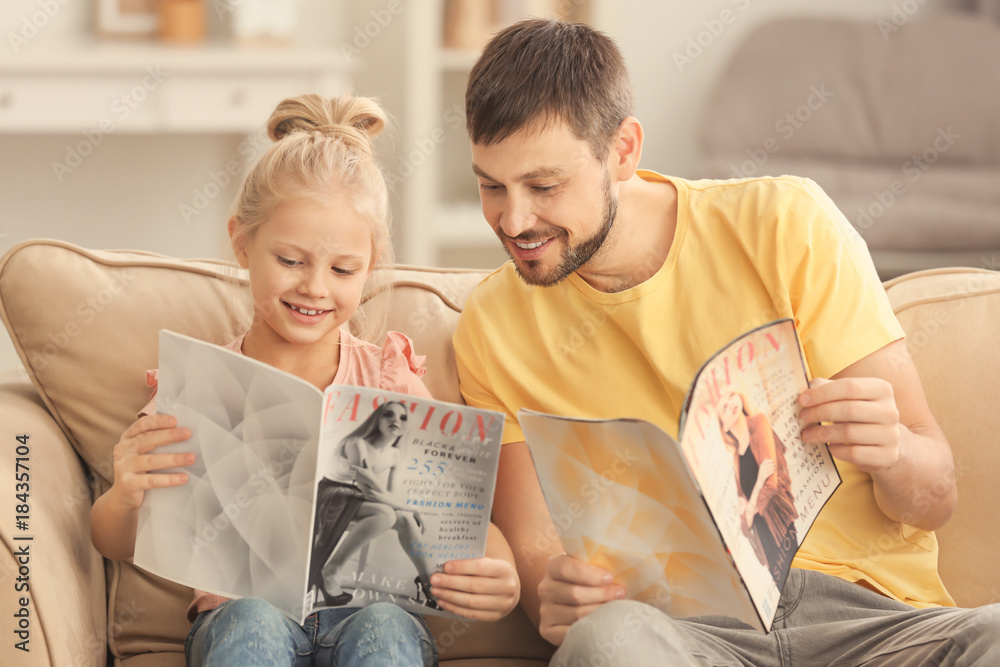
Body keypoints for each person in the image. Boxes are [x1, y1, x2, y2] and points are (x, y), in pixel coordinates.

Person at [452, 17, 999, 666]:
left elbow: (936, 495)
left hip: (867, 618)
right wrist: (561, 596)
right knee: (607, 642)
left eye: (543, 186)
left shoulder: (785, 226)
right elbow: (539, 563)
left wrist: (896, 451)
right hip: (687, 633)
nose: (514, 220)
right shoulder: (491, 324)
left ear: (623, 150)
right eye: (491, 186)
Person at [90, 93, 519, 667]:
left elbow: (462, 520)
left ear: (368, 267)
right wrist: (125, 494)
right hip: (242, 608)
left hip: (371, 613)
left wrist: (503, 575)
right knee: (249, 624)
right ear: (242, 244)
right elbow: (114, 542)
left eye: (343, 270)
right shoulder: (201, 385)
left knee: (387, 629)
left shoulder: (389, 383)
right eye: (291, 260)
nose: (316, 287)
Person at [310, 400, 438, 610]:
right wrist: (410, 508)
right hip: (333, 494)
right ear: (377, 419)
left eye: (402, 417)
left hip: (359, 498)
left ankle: (428, 582)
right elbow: (369, 489)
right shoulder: (357, 444)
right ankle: (331, 570)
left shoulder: (395, 455)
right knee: (387, 514)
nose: (396, 420)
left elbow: (388, 495)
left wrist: (405, 511)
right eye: (389, 414)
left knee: (402, 517)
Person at [717, 391, 798, 588]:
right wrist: (755, 493)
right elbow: (745, 526)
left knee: (796, 578)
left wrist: (750, 508)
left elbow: (771, 483)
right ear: (724, 427)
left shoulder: (759, 422)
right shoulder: (736, 458)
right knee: (781, 587)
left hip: (779, 523)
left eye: (730, 397)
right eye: (724, 408)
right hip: (763, 539)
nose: (730, 403)